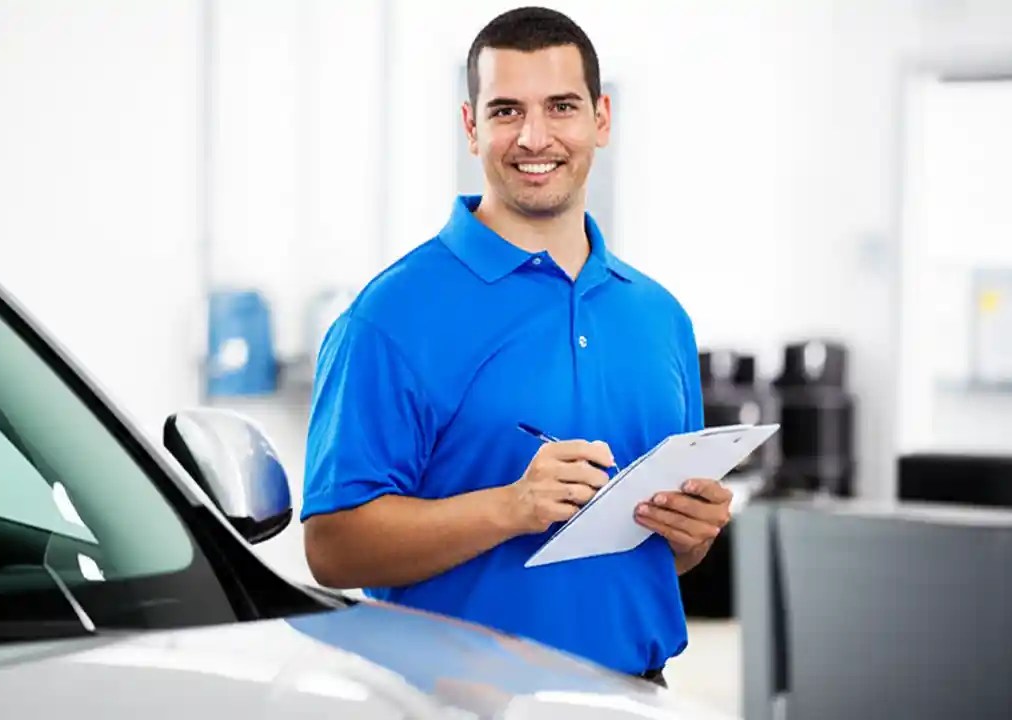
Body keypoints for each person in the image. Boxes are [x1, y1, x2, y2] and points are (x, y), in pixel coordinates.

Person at [300, 6, 733, 687]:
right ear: (472, 128)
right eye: (506, 111)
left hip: (638, 693)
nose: (535, 137)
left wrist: (692, 533)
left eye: (561, 106)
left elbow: (658, 559)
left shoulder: (660, 317)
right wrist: (511, 507)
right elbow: (332, 549)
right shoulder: (388, 316)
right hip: (455, 701)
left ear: (602, 118)